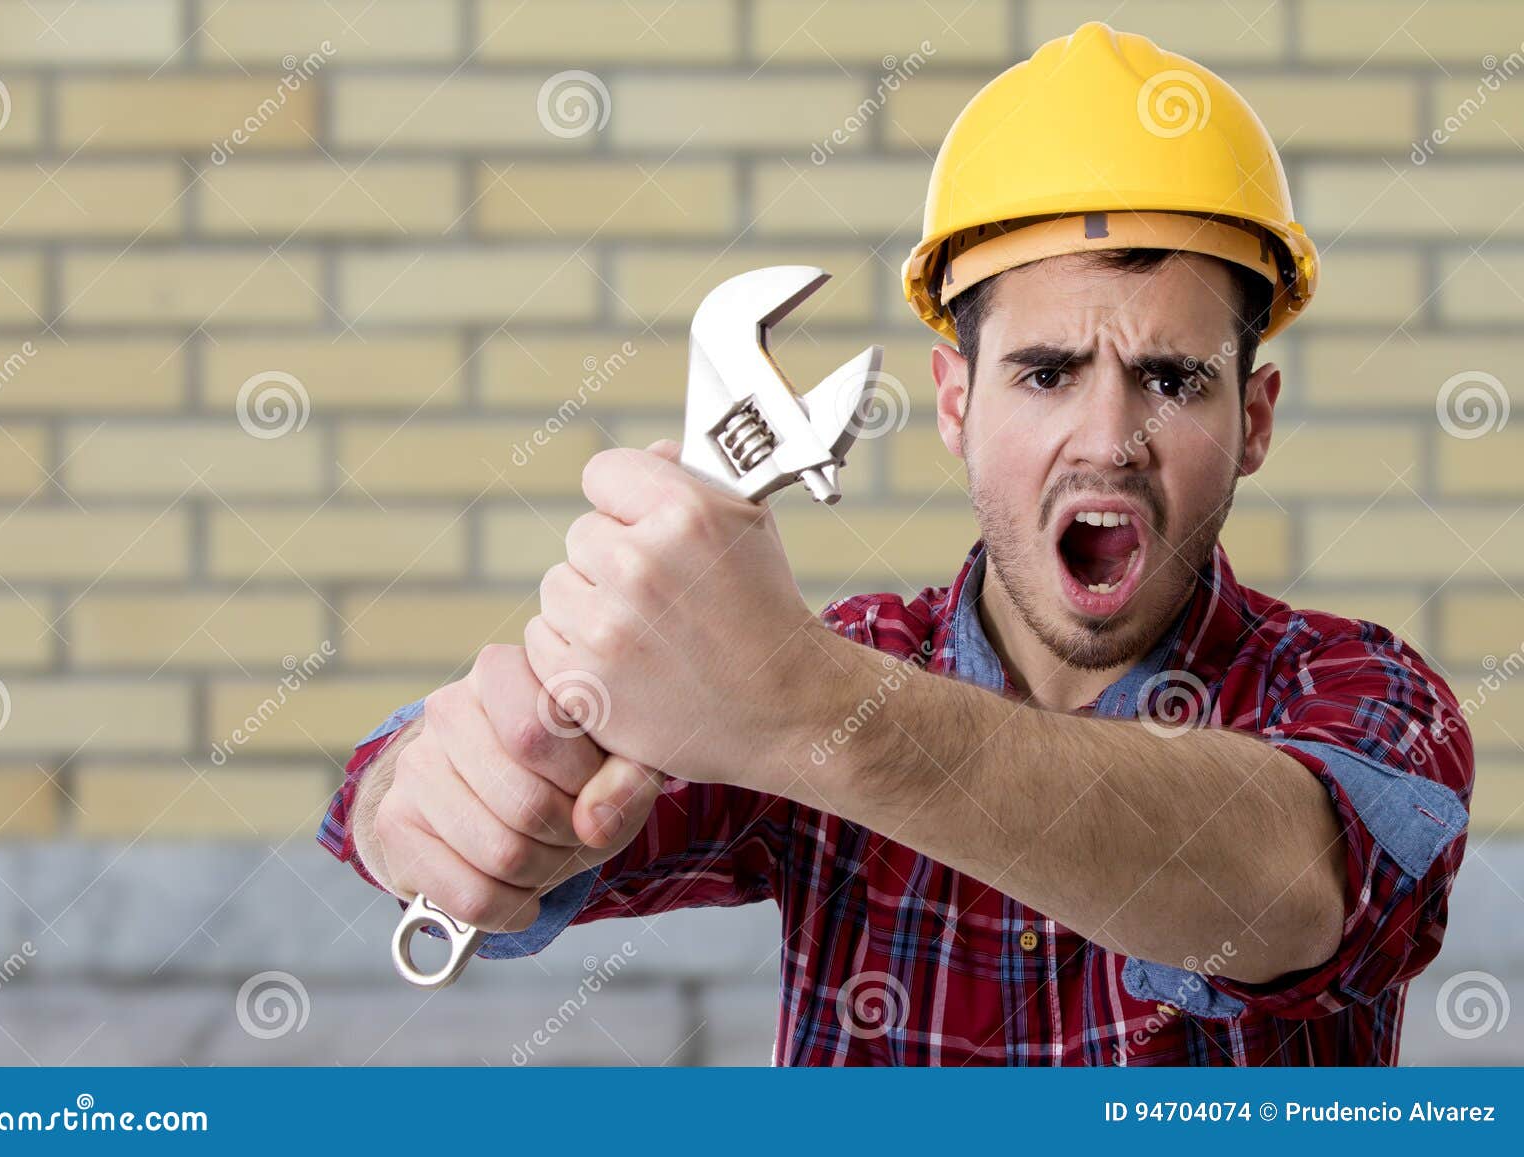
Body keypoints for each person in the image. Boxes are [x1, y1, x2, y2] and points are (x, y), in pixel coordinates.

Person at [319, 21, 1473, 1065]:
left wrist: (810, 709)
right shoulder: (843, 654)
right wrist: (432, 795)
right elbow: (405, 806)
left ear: (1253, 420)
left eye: (1172, 378)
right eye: (1045, 371)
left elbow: (1284, 885)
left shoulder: (1364, 696)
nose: (1110, 438)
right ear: (956, 403)